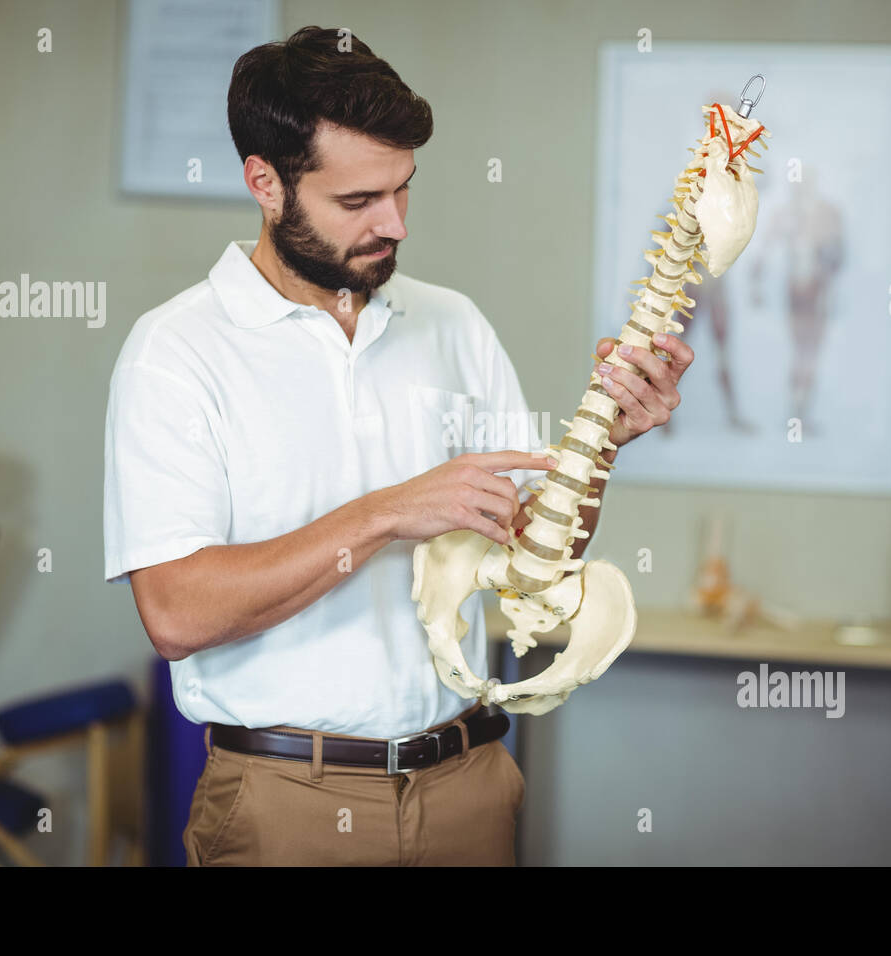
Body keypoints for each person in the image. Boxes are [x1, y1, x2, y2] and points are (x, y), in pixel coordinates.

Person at [102, 26, 692, 866]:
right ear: (264, 184)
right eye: (358, 203)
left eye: (403, 189)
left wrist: (604, 444)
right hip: (286, 804)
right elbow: (175, 614)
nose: (395, 225)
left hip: (469, 784)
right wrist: (387, 513)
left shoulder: (454, 323)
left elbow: (535, 563)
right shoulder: (176, 353)